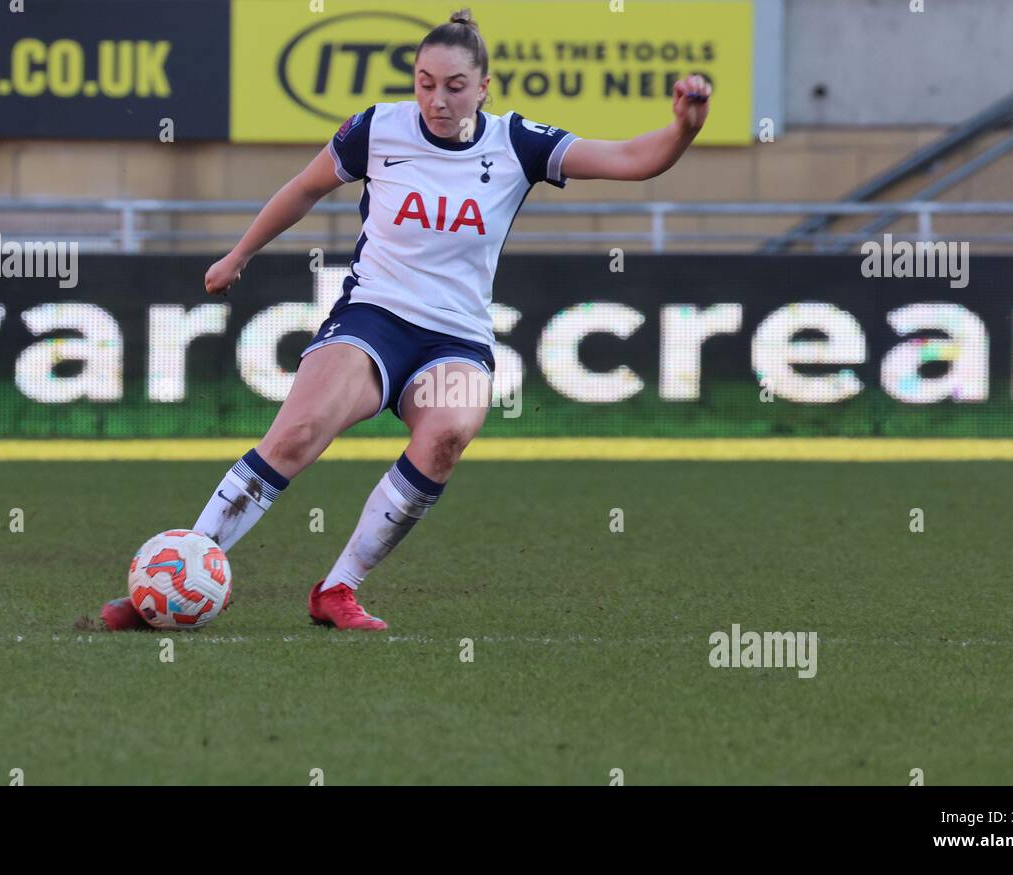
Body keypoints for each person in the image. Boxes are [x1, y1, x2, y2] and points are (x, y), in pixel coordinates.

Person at [103, 8, 712, 632]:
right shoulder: (379, 128)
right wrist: (239, 253)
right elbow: (305, 188)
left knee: (447, 434)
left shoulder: (517, 143)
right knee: (298, 432)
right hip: (375, 317)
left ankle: (337, 590)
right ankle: (176, 575)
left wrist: (684, 128)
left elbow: (634, 158)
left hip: (456, 336)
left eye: (453, 86)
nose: (437, 99)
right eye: (425, 82)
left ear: (484, 88)